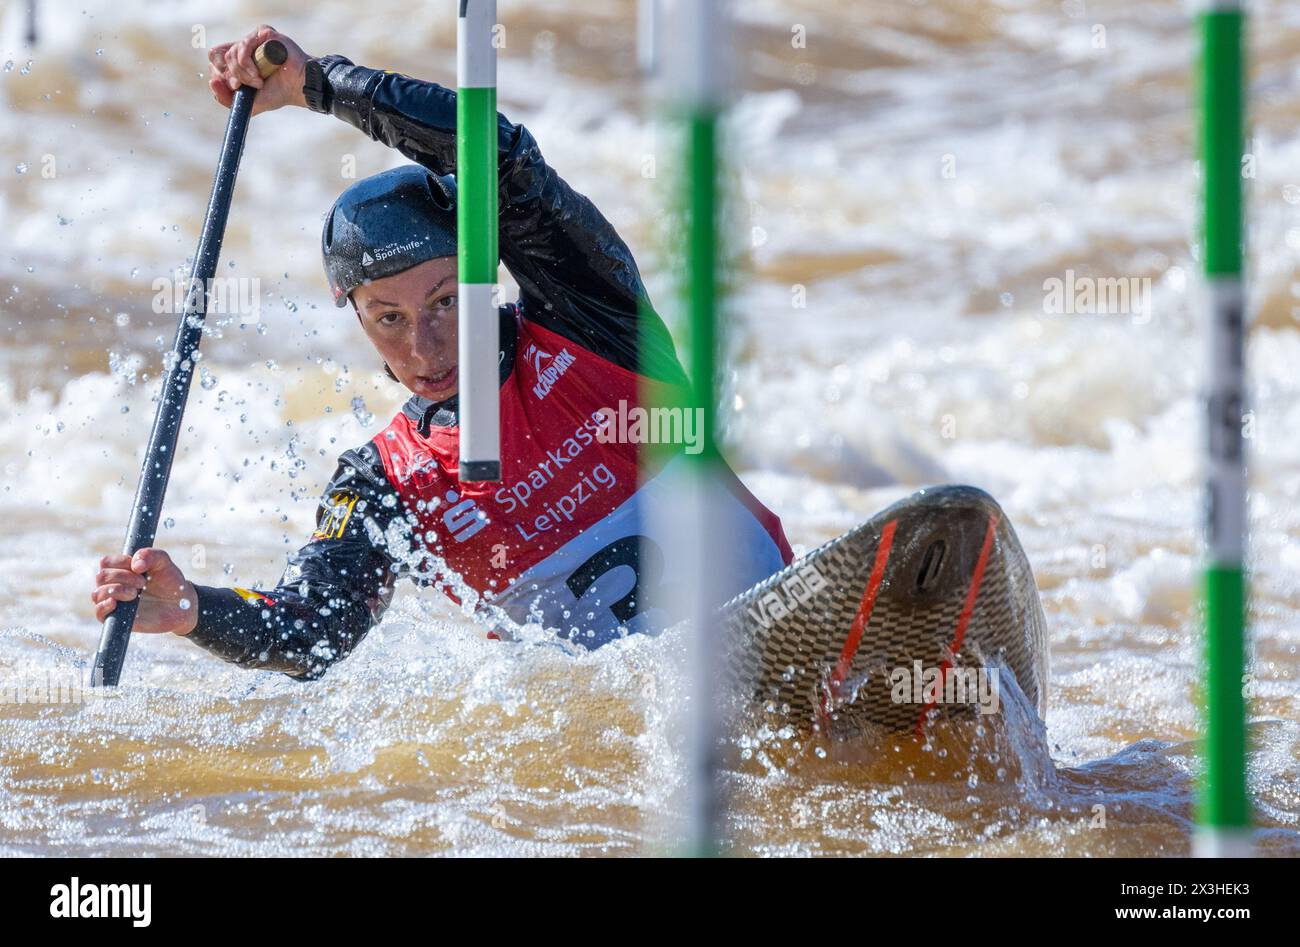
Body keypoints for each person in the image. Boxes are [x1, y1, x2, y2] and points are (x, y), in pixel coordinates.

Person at [90, 25, 792, 681]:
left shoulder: (594, 322)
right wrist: (193, 610)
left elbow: (498, 153)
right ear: (357, 319)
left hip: (780, 634)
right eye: (388, 318)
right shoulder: (387, 484)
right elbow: (314, 631)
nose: (423, 347)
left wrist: (323, 86)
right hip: (633, 744)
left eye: (447, 300)